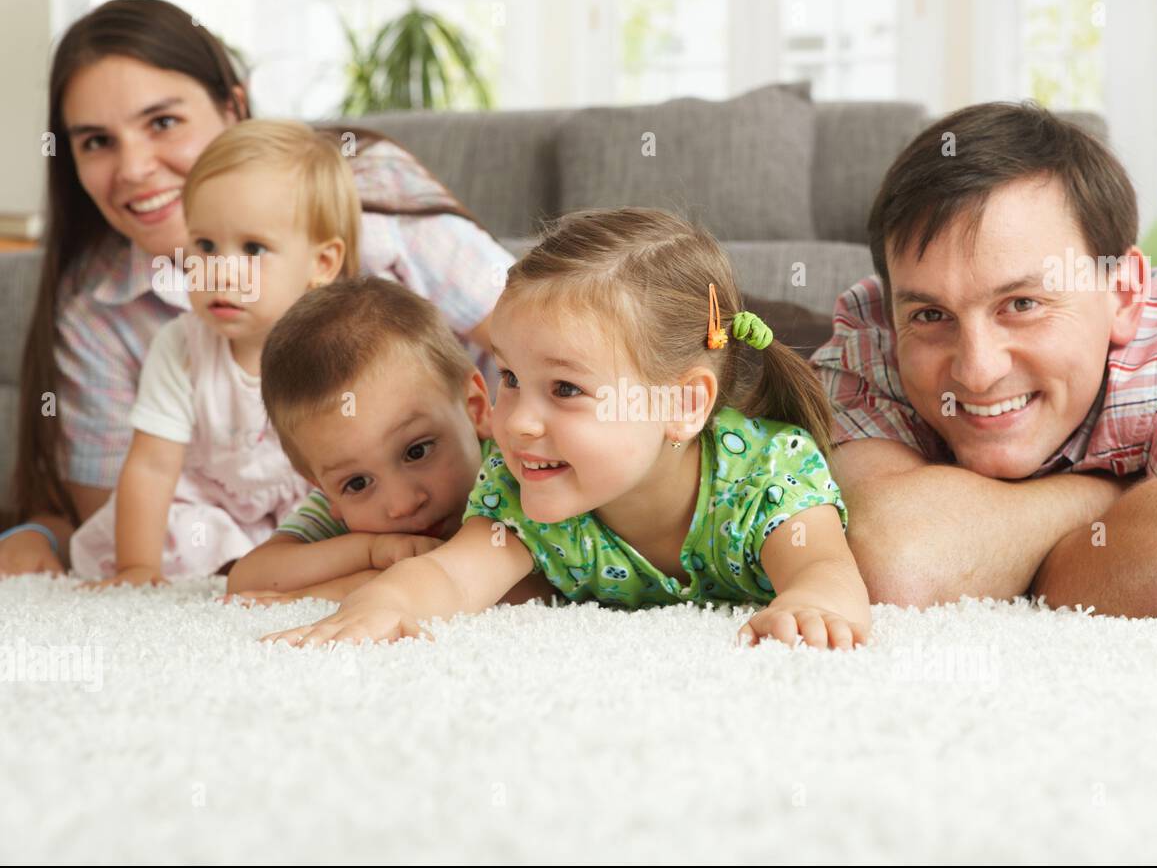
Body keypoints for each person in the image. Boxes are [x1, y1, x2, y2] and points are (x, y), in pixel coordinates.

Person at [0, 0, 509, 576]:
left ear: (232, 105)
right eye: (96, 141)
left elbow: (547, 343)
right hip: (276, 549)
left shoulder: (370, 203)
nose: (134, 167)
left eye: (163, 122)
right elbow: (126, 502)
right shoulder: (103, 312)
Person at [261, 208, 871, 649]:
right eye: (510, 377)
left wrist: (810, 605)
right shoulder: (525, 492)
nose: (518, 423)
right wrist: (385, 603)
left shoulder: (765, 475)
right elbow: (448, 574)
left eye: (566, 389)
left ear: (684, 403)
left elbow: (824, 569)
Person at [814, 101, 1157, 617]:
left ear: (1125, 293)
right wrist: (1109, 495)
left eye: (1022, 304)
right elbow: (895, 560)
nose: (977, 371)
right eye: (933, 316)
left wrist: (991, 552)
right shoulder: (873, 331)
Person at [71, 119, 351, 581]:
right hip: (208, 506)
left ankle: (290, 567)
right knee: (186, 527)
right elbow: (152, 467)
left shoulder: (339, 350)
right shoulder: (182, 346)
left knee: (342, 518)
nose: (220, 272)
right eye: (204, 245)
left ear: (321, 263)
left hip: (301, 505)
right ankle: (237, 572)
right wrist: (137, 568)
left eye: (253, 248)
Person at [226, 276, 549, 606]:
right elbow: (246, 579)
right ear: (324, 489)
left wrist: (366, 584)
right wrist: (369, 552)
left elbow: (543, 588)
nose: (402, 504)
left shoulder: (520, 470)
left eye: (417, 451)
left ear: (475, 408)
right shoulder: (343, 512)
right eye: (358, 483)